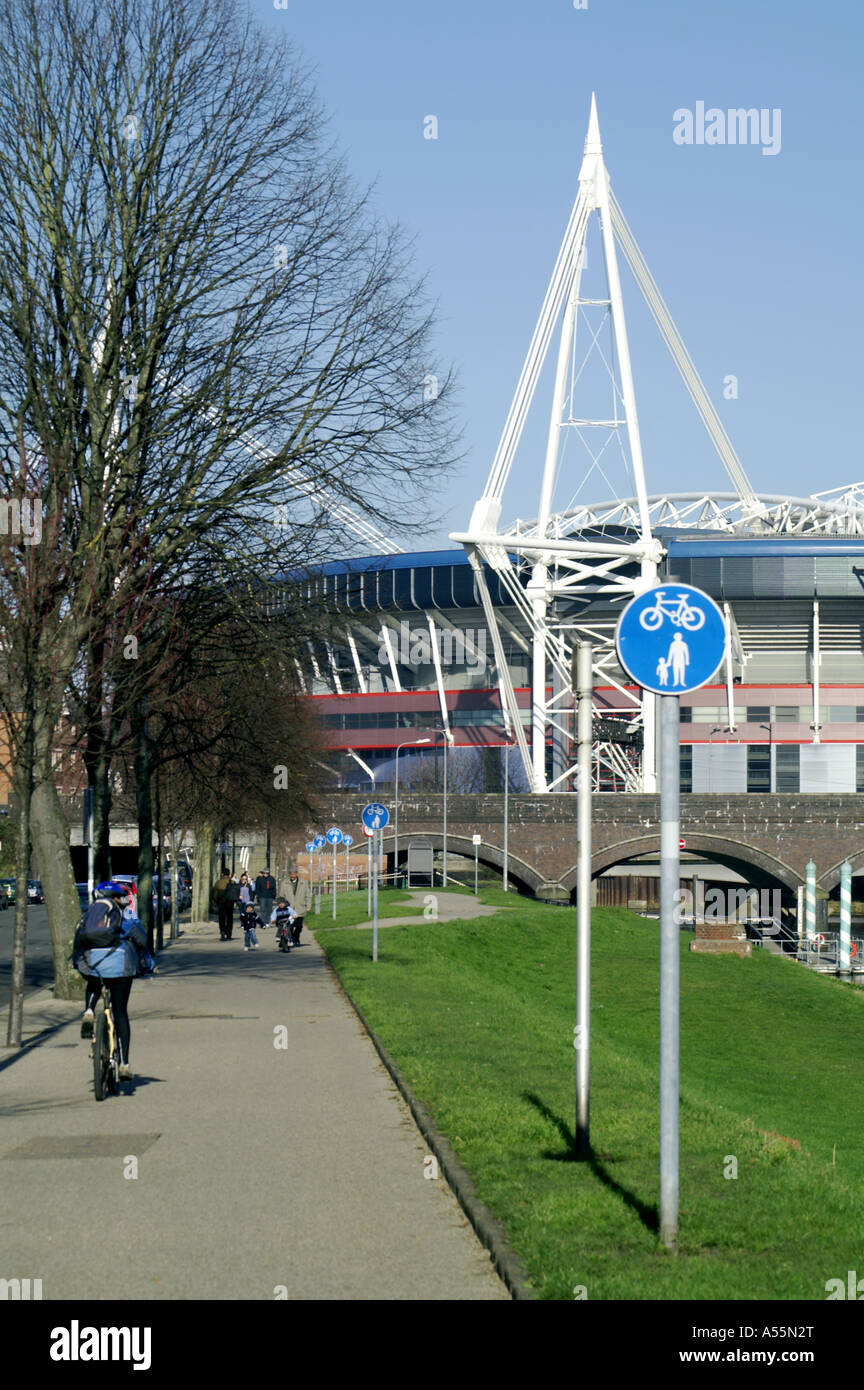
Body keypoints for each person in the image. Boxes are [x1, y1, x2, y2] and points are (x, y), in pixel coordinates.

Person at [74, 880, 155, 1081]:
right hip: (120, 966)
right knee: (120, 1012)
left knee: (94, 979)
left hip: (94, 963)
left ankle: (89, 1010)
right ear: (118, 898)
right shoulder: (125, 914)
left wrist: (78, 964)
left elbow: (78, 942)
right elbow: (141, 939)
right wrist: (148, 964)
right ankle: (125, 1064)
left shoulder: (89, 915)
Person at [284, 869, 312, 945]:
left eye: (294, 874)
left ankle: (296, 937)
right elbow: (281, 896)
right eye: (291, 874)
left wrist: (309, 906)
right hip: (289, 908)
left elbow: (308, 895)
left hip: (300, 907)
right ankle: (292, 939)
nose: (292, 876)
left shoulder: (304, 883)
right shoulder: (285, 883)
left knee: (299, 926)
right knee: (290, 925)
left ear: (296, 874)